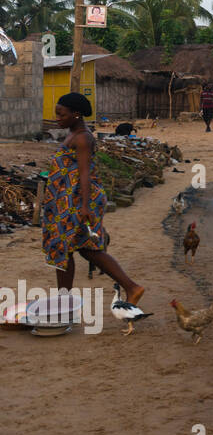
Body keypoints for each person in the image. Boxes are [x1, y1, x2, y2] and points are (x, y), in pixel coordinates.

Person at [43, 93, 144, 303]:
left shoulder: (83, 138)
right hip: (68, 200)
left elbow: (85, 173)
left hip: (79, 200)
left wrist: (85, 206)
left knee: (71, 247)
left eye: (61, 114)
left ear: (76, 114)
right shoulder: (72, 133)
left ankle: (65, 302)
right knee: (81, 249)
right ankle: (131, 288)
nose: (57, 118)